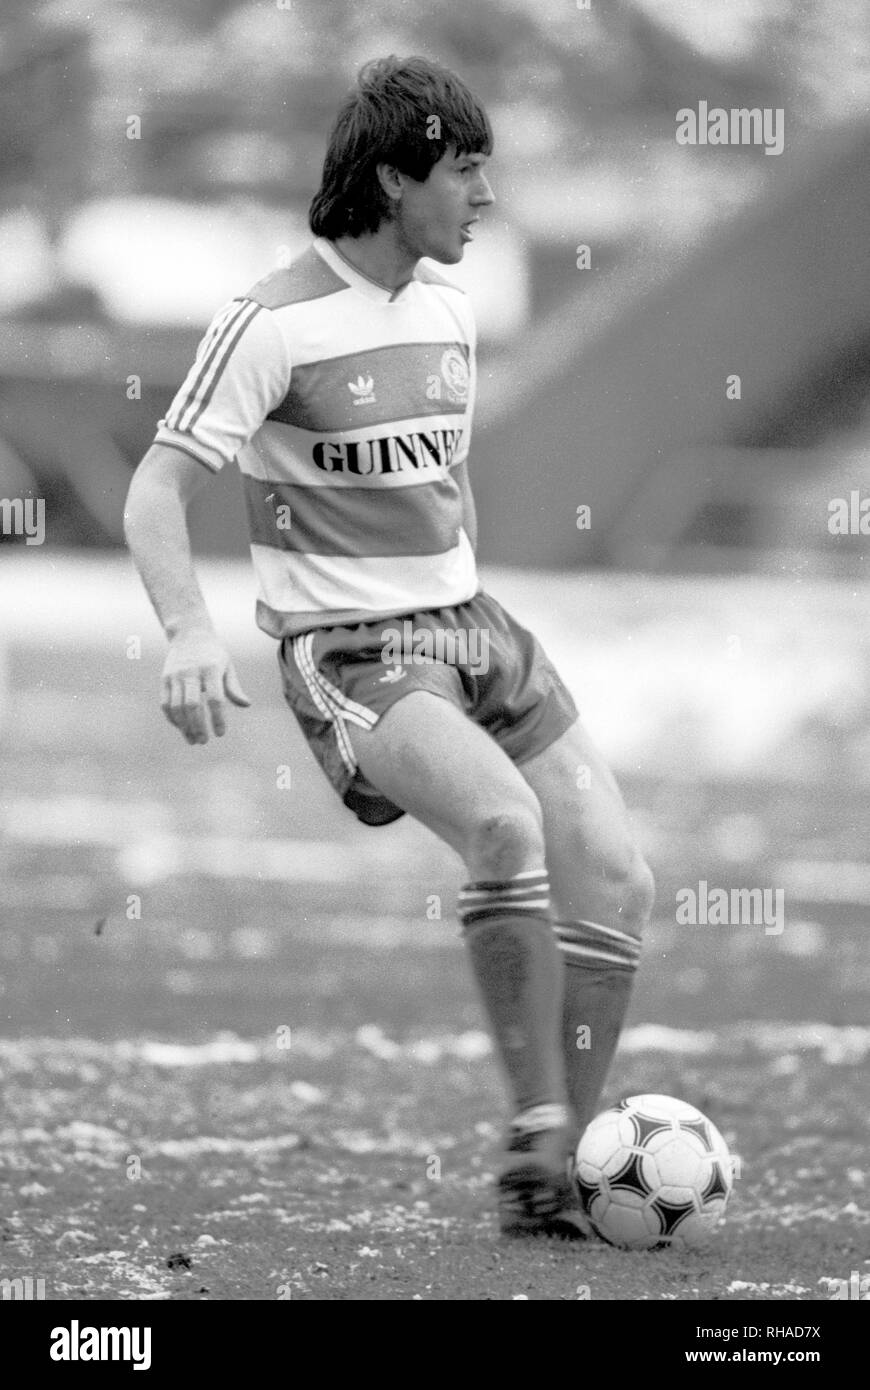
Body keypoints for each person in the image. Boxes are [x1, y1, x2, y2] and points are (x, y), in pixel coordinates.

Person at [123, 54, 655, 1238]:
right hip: (352, 651)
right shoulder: (268, 322)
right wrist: (189, 631)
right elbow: (155, 493)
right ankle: (538, 1146)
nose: (485, 196)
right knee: (506, 827)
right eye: (465, 171)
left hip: (476, 628)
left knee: (619, 872)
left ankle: (564, 1153)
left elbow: (429, 493)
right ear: (391, 176)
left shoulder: (453, 303)